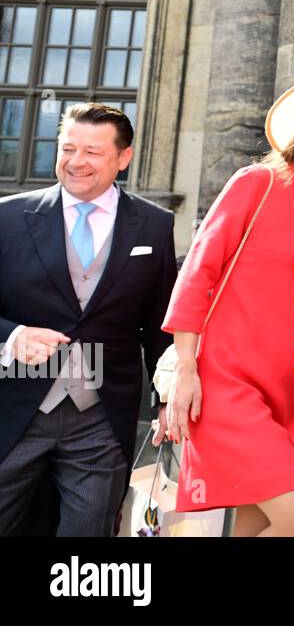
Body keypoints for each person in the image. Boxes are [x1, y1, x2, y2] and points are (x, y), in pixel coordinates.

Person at [0, 103, 176, 536]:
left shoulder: (154, 226)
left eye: (93, 152)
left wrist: (168, 397)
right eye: (68, 148)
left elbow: (160, 326)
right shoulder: (7, 217)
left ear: (124, 158)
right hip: (14, 408)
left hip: (101, 417)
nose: (76, 162)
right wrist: (13, 336)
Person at [161, 78, 294, 536]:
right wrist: (186, 371)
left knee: (259, 525)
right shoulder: (259, 182)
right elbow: (196, 276)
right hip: (227, 385)